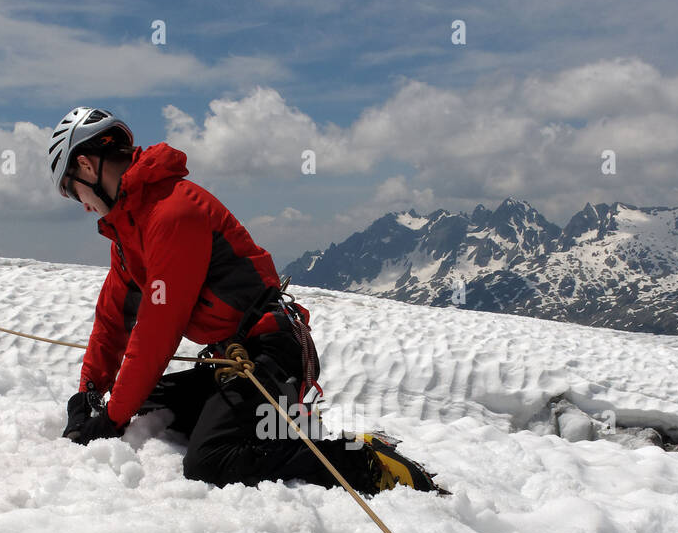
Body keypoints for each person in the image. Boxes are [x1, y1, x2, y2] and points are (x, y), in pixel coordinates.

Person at [49, 106, 441, 495]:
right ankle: (271, 423)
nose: (81, 204)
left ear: (85, 166)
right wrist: (90, 394)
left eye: (72, 191)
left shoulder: (171, 212)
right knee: (146, 402)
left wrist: (111, 418)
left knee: (210, 461)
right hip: (234, 356)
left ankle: (365, 462)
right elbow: (113, 319)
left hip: (270, 353)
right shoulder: (129, 230)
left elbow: (157, 329)